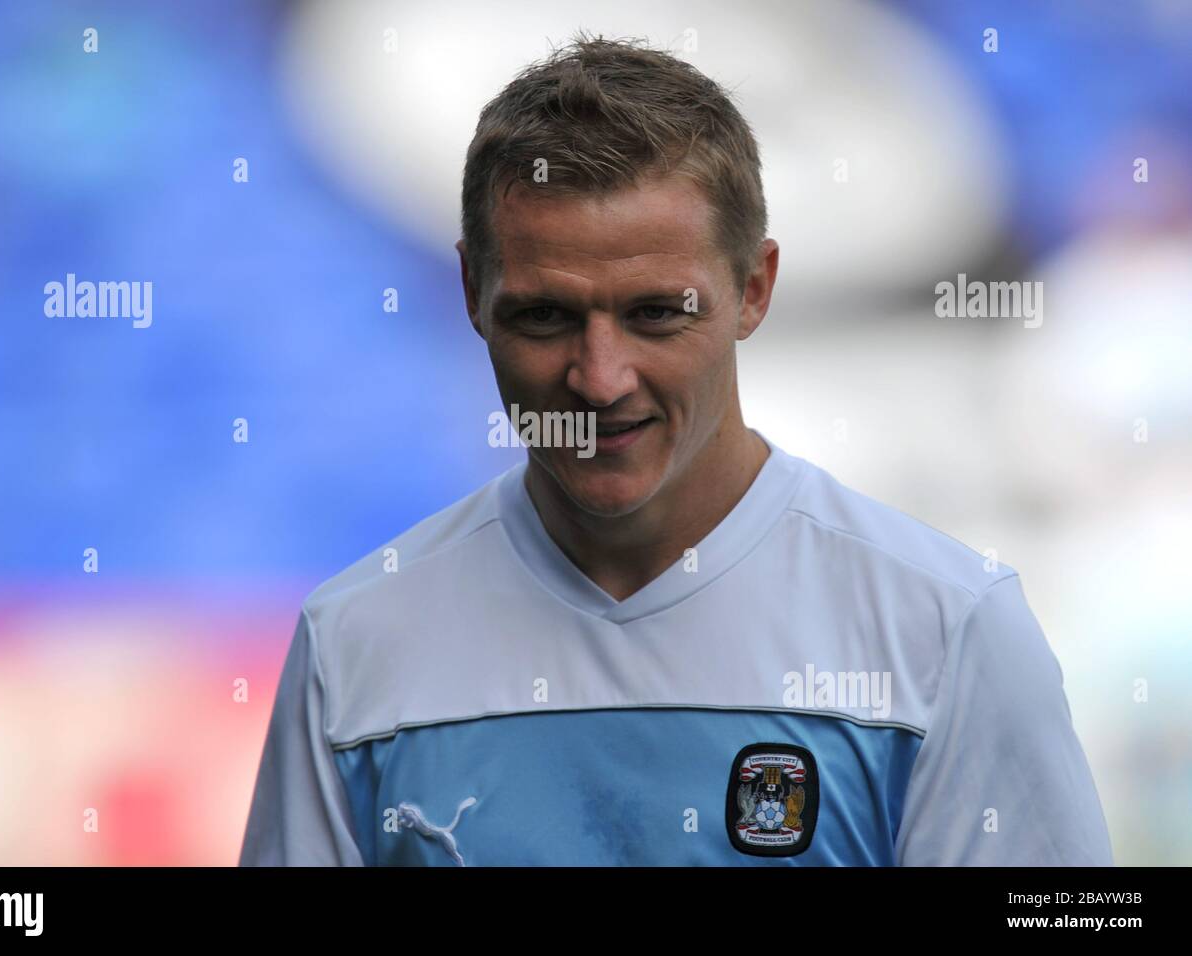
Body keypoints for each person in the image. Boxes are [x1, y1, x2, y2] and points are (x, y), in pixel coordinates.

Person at [239, 34, 1112, 866]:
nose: (600, 378)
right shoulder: (355, 642)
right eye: (545, 316)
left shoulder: (947, 629)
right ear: (472, 292)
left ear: (754, 289)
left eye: (657, 313)